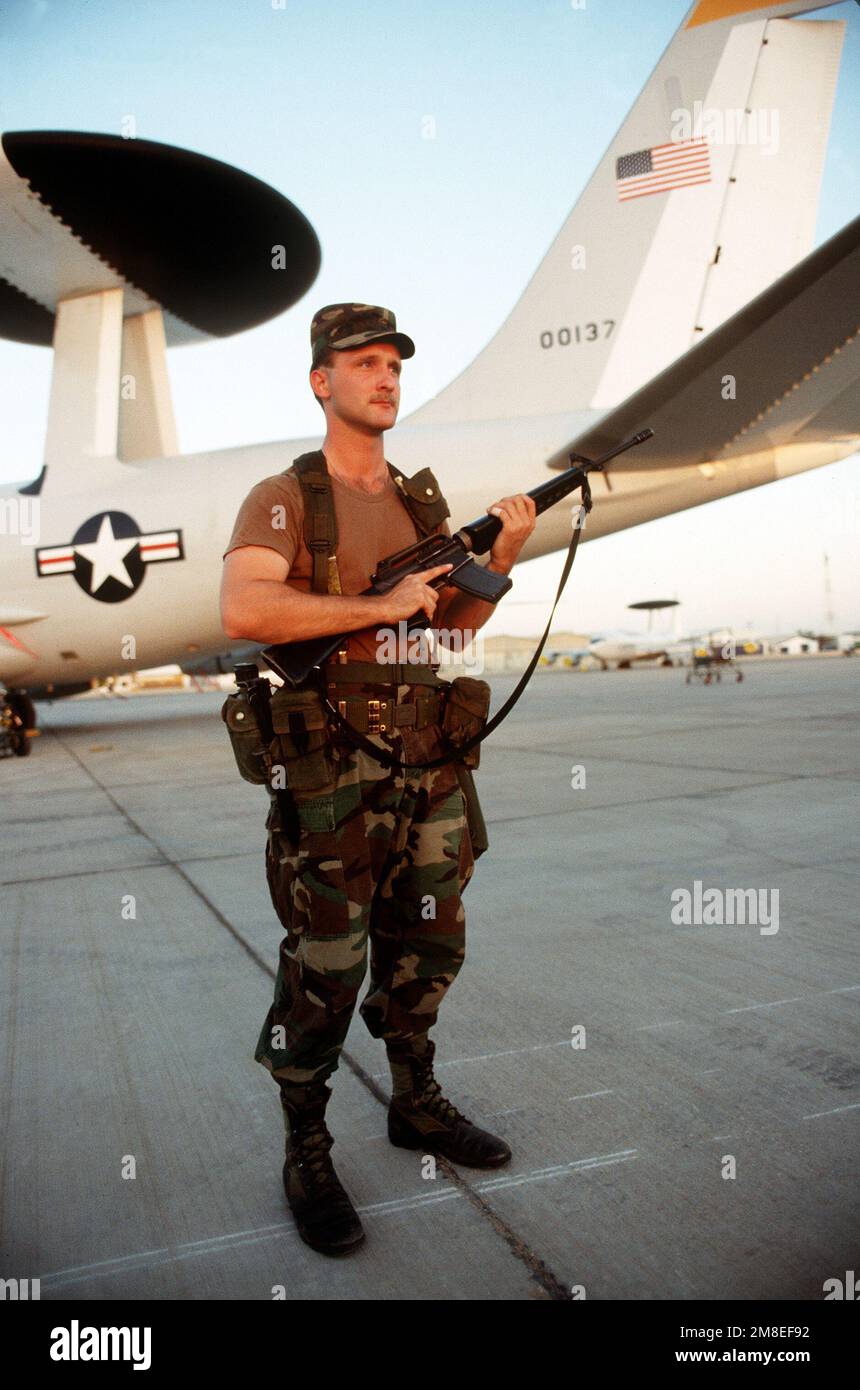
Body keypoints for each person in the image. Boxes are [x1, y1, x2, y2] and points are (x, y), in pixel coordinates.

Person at [220, 303, 536, 1255]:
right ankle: (307, 1146)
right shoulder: (286, 497)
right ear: (323, 381)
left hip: (426, 760)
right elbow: (244, 605)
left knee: (431, 943)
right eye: (363, 362)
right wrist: (378, 597)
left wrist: (501, 562)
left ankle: (415, 1100)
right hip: (332, 768)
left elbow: (439, 640)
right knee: (327, 963)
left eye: (395, 361)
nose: (385, 376)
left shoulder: (422, 505)